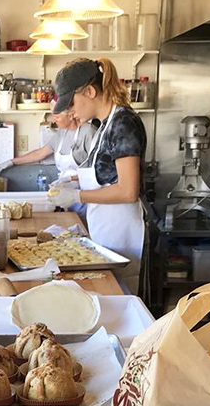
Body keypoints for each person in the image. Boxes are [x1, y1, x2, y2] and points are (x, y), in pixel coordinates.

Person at [47, 58, 147, 294]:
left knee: (119, 301)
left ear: (90, 91)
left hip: (124, 233)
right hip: (107, 229)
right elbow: (105, 175)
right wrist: (71, 182)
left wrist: (77, 195)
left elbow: (127, 190)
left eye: (71, 104)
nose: (70, 113)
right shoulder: (104, 125)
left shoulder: (124, 123)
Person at [0, 101, 96, 182]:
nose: (53, 121)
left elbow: (96, 169)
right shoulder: (61, 134)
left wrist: (71, 179)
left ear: (70, 116)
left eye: (56, 117)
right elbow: (40, 153)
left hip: (85, 190)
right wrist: (12, 162)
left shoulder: (88, 132)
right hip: (64, 187)